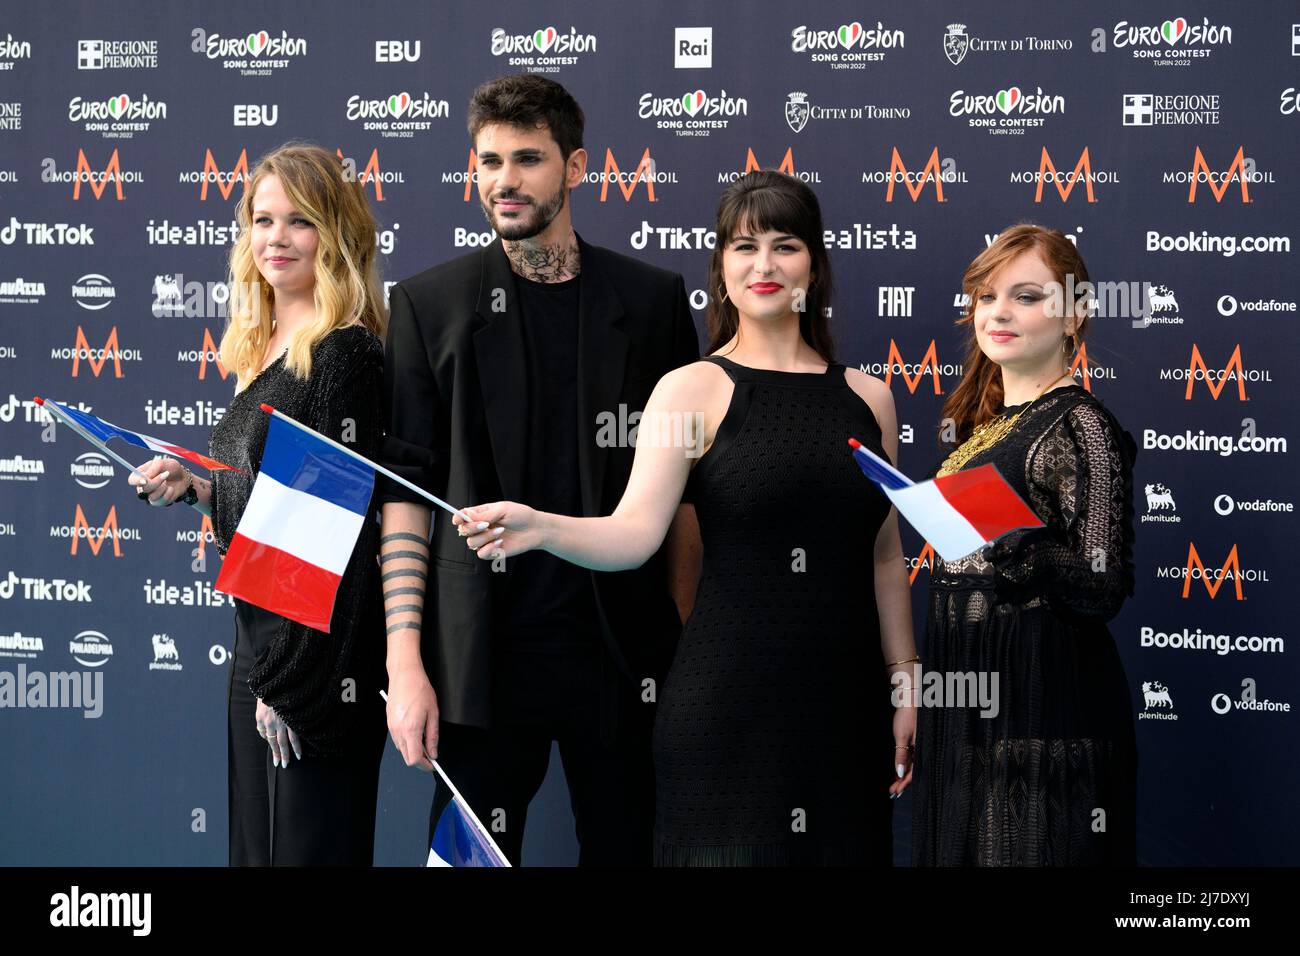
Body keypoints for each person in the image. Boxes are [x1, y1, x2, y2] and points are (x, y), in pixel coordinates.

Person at [456, 169, 918, 866]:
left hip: (845, 712)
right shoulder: (688, 391)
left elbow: (884, 555)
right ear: (721, 270)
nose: (764, 265)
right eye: (744, 247)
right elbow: (635, 533)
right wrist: (542, 527)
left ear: (815, 266)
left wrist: (905, 682)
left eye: (785, 246)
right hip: (724, 713)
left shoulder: (871, 399)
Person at [379, 74, 701, 866]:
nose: (504, 181)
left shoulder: (652, 302)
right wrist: (404, 662)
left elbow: (686, 502)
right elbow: (405, 496)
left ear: (576, 167)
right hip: (479, 659)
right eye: (489, 161)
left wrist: (683, 641)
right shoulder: (429, 306)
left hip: (621, 656)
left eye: (527, 159)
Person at [128, 143, 389, 866]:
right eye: (262, 219)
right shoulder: (265, 344)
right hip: (260, 642)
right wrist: (199, 489)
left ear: (335, 234)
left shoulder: (344, 354)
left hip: (313, 660)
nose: (276, 238)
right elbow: (276, 512)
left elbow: (338, 541)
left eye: (300, 221)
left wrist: (291, 677)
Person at [910, 223, 1138, 866]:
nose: (999, 312)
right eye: (986, 297)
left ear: (1075, 316)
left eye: (1027, 296)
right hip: (970, 703)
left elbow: (1102, 584)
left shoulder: (1081, 423)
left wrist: (1025, 549)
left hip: (1042, 707)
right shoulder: (988, 424)